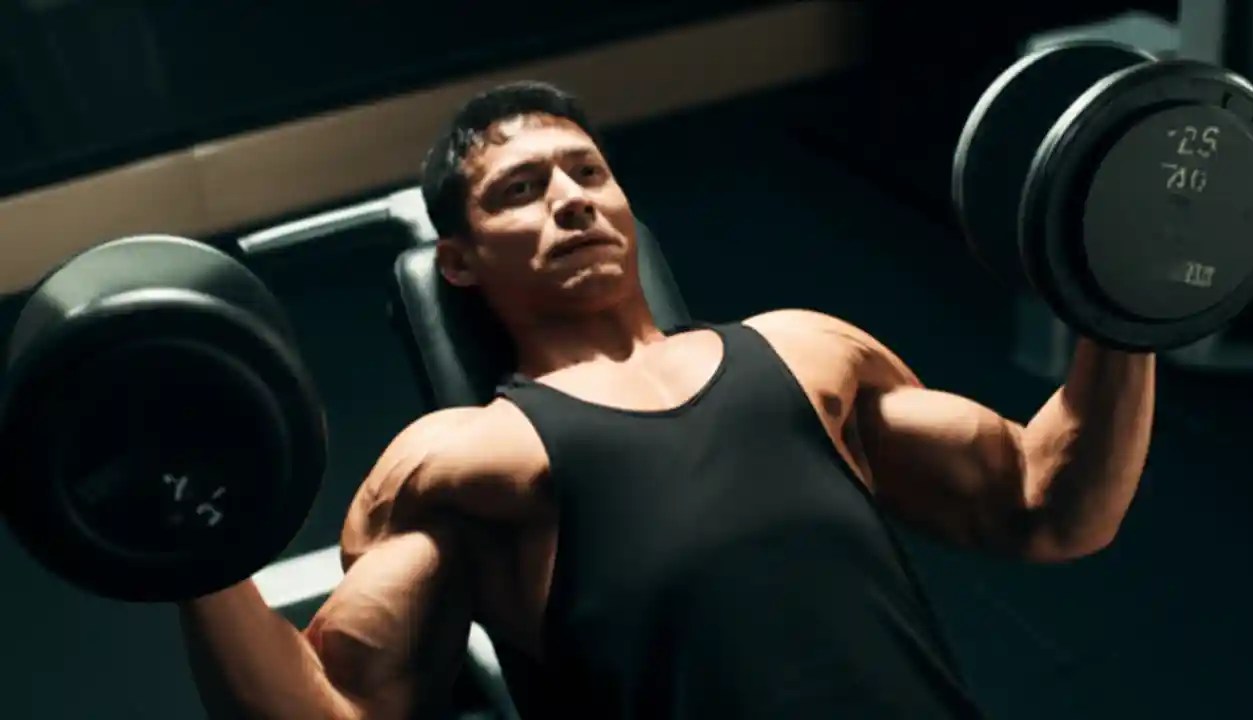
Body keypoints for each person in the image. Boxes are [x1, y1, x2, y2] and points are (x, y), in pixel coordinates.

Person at [177, 81, 1155, 719]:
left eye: (588, 172)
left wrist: (1126, 300)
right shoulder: (466, 461)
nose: (572, 199)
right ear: (459, 263)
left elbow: (1046, 502)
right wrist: (189, 546)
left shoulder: (808, 355)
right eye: (520, 189)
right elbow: (330, 706)